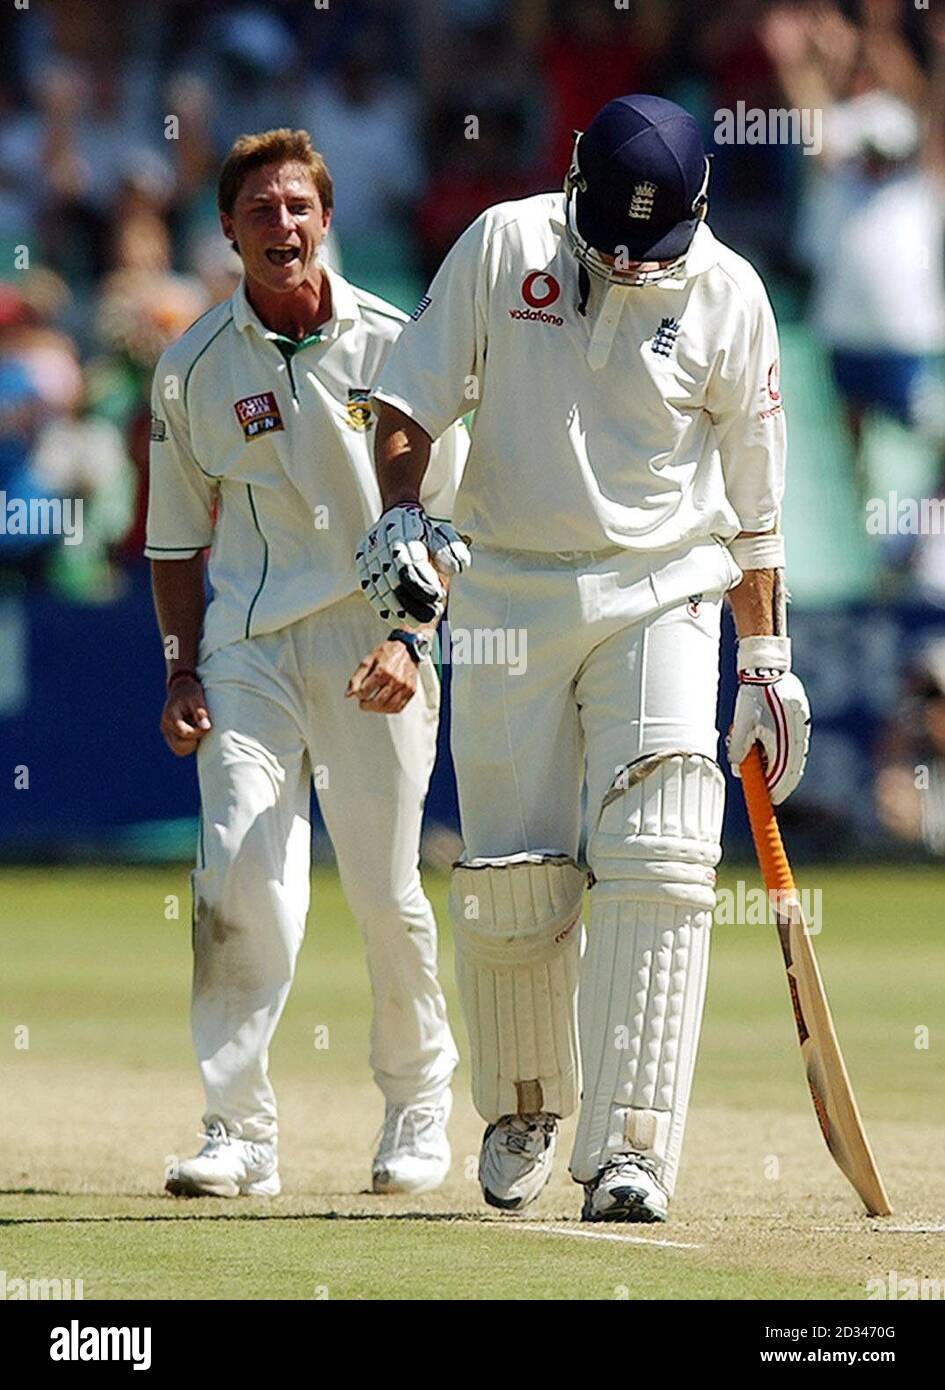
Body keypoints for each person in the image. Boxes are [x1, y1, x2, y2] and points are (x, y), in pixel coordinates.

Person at [356, 95, 811, 1223]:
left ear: (698, 212)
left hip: (664, 587)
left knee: (661, 850)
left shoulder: (730, 293)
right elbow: (408, 398)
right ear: (573, 179)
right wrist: (406, 517)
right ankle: (524, 1099)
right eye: (607, 231)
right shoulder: (507, 243)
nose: (621, 257)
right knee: (516, 876)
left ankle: (632, 1150)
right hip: (507, 585)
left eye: (644, 242)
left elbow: (754, 509)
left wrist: (765, 658)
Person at [147, 128, 465, 1199]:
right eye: (258, 212)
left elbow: (447, 519)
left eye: (297, 207)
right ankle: (238, 1131)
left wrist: (409, 639)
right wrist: (182, 670)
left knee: (383, 891)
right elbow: (176, 542)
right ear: (229, 232)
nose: (281, 226)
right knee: (238, 872)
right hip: (248, 644)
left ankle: (419, 1104)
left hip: (375, 636)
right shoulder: (191, 367)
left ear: (324, 219)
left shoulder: (394, 344)